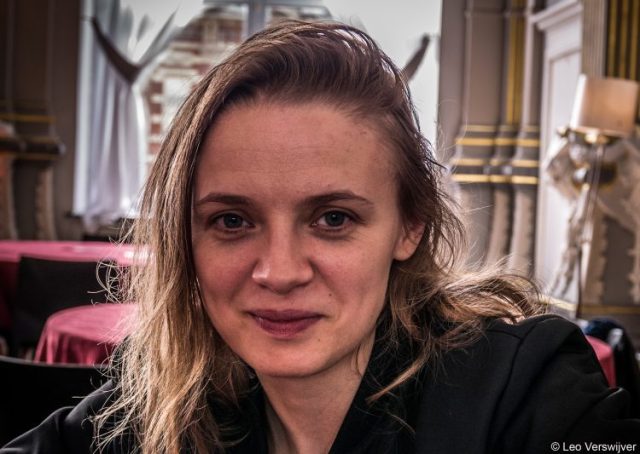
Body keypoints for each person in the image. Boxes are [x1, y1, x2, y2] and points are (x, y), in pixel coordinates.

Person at [3, 20, 639, 454]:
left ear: (410, 225)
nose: (279, 272)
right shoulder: (161, 403)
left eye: (333, 219)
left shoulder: (523, 388)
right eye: (232, 221)